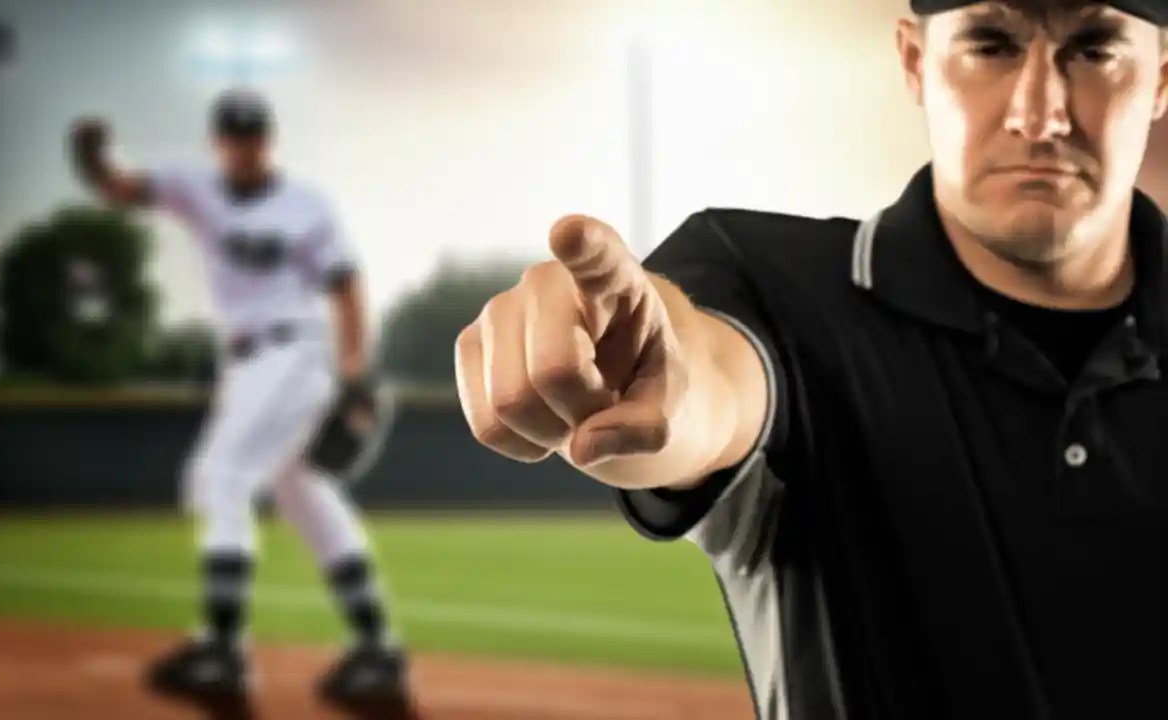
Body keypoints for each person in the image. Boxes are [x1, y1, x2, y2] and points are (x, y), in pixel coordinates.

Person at [455, 2, 1168, 719]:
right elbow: (715, 382)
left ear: (1162, 76)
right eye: (991, 44)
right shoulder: (778, 290)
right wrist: (663, 386)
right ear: (916, 60)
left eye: (1094, 48)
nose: (1039, 114)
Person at [68, 88, 411, 715]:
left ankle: (223, 649)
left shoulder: (307, 206)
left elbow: (347, 287)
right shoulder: (194, 186)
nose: (244, 145)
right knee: (302, 490)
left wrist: (357, 371)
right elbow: (122, 189)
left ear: (268, 141)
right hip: (249, 363)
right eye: (233, 135)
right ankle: (376, 647)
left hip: (293, 351)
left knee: (220, 475)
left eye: (253, 136)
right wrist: (94, 163)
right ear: (217, 142)